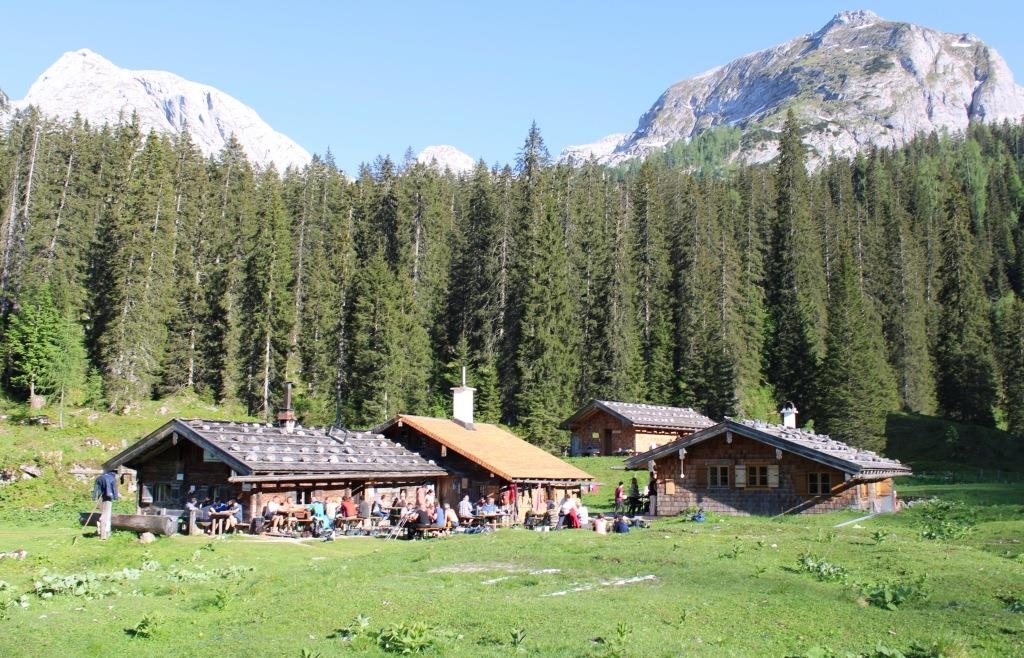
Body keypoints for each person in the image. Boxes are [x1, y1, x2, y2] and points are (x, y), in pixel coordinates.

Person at [92, 470, 119, 540]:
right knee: (106, 516)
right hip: (107, 498)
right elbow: (114, 489)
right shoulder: (112, 478)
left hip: (100, 498)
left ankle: (99, 531)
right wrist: (116, 498)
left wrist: (94, 497)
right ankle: (105, 534)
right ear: (114, 474)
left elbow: (95, 489)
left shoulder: (99, 478)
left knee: (101, 514)